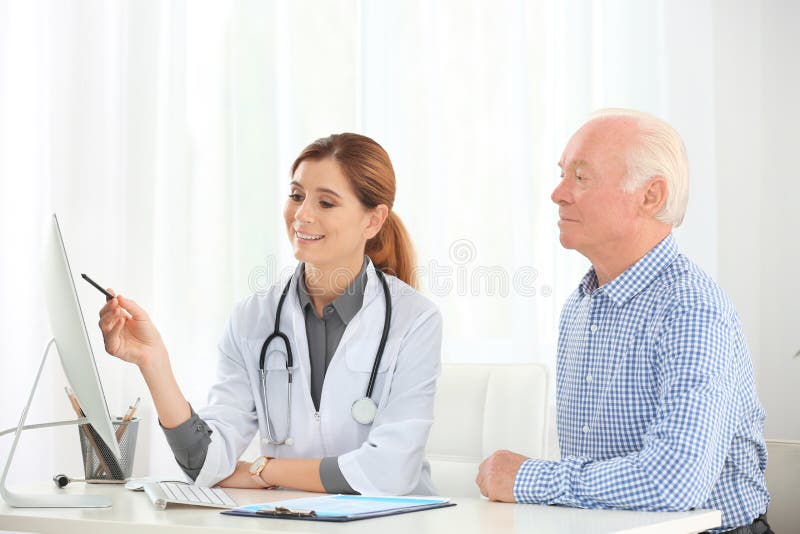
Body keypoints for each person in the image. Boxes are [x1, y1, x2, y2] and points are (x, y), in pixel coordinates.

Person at [476, 109, 771, 533]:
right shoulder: (579, 306)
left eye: (581, 177)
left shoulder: (691, 310)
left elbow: (674, 482)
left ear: (650, 196)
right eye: (562, 174)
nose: (558, 193)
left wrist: (527, 478)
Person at [98, 133, 443, 495]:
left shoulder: (415, 321)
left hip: (393, 526)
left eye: (326, 203)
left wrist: (266, 470)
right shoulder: (253, 317)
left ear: (373, 221)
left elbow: (389, 472)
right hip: (289, 522)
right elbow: (204, 463)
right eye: (296, 196)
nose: (302, 215)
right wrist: (154, 363)